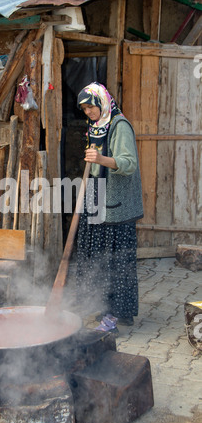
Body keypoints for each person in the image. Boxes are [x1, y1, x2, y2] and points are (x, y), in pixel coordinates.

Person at [75, 82, 143, 328]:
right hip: (97, 195)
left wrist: (101, 158)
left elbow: (128, 163)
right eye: (84, 109)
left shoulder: (120, 125)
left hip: (116, 201)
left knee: (115, 258)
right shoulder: (96, 125)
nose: (89, 112)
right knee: (97, 255)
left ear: (102, 102)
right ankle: (102, 306)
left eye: (91, 107)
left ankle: (115, 314)